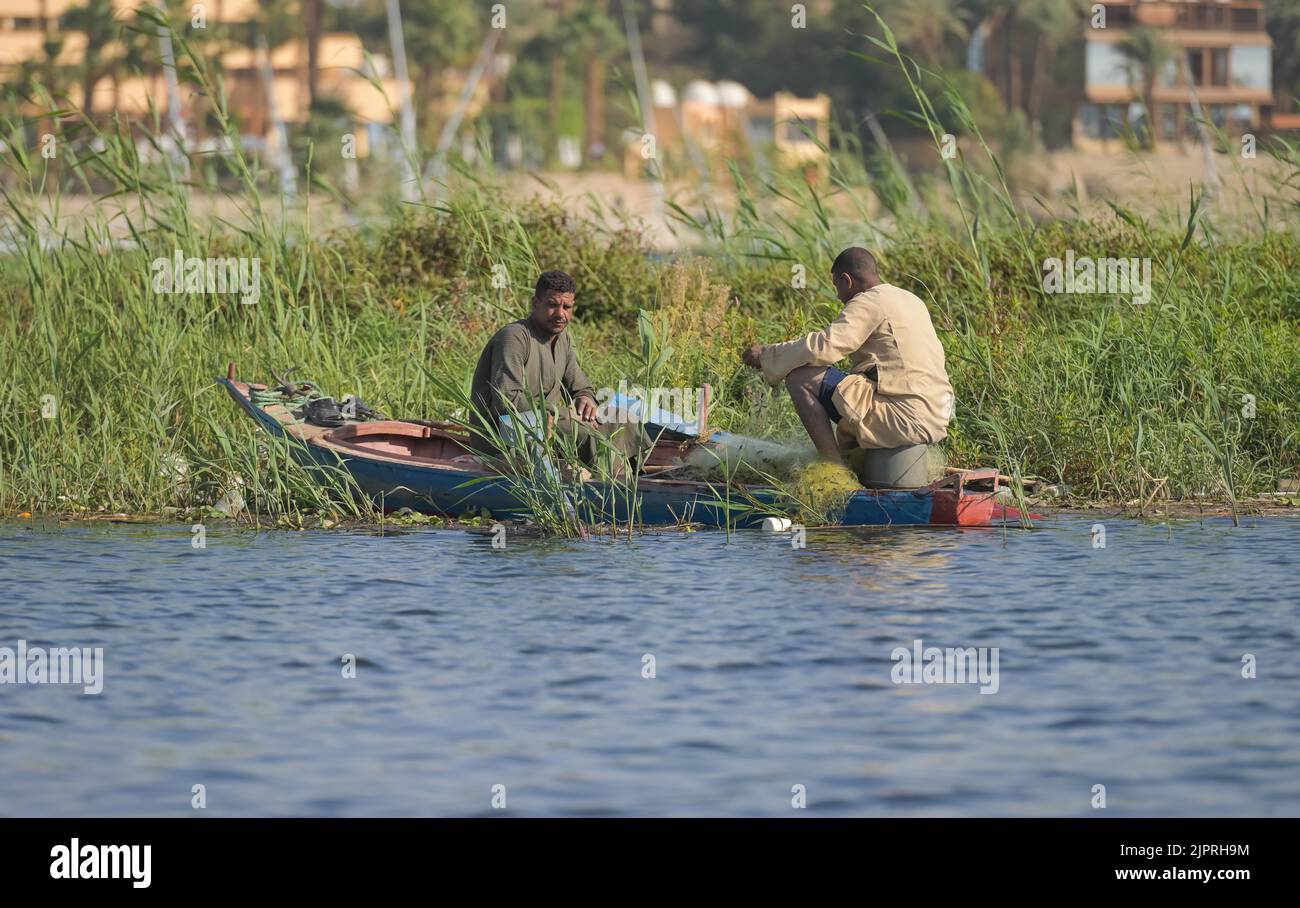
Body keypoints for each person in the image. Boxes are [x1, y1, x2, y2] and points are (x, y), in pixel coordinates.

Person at [741, 247, 953, 465]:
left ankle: (834, 469)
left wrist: (767, 355)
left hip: (903, 417)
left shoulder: (869, 301)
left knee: (800, 378)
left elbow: (825, 346)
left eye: (836, 286)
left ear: (846, 280)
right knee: (853, 384)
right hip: (937, 417)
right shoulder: (911, 300)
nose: (838, 295)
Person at [470, 269, 643, 473]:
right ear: (536, 303)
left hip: (548, 426)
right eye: (552, 305)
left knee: (625, 418)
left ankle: (635, 480)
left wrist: (586, 399)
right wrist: (563, 413)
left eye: (567, 307)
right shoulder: (514, 337)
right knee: (584, 433)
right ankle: (608, 487)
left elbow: (581, 387)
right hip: (506, 434)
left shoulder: (562, 340)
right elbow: (507, 401)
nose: (561, 314)